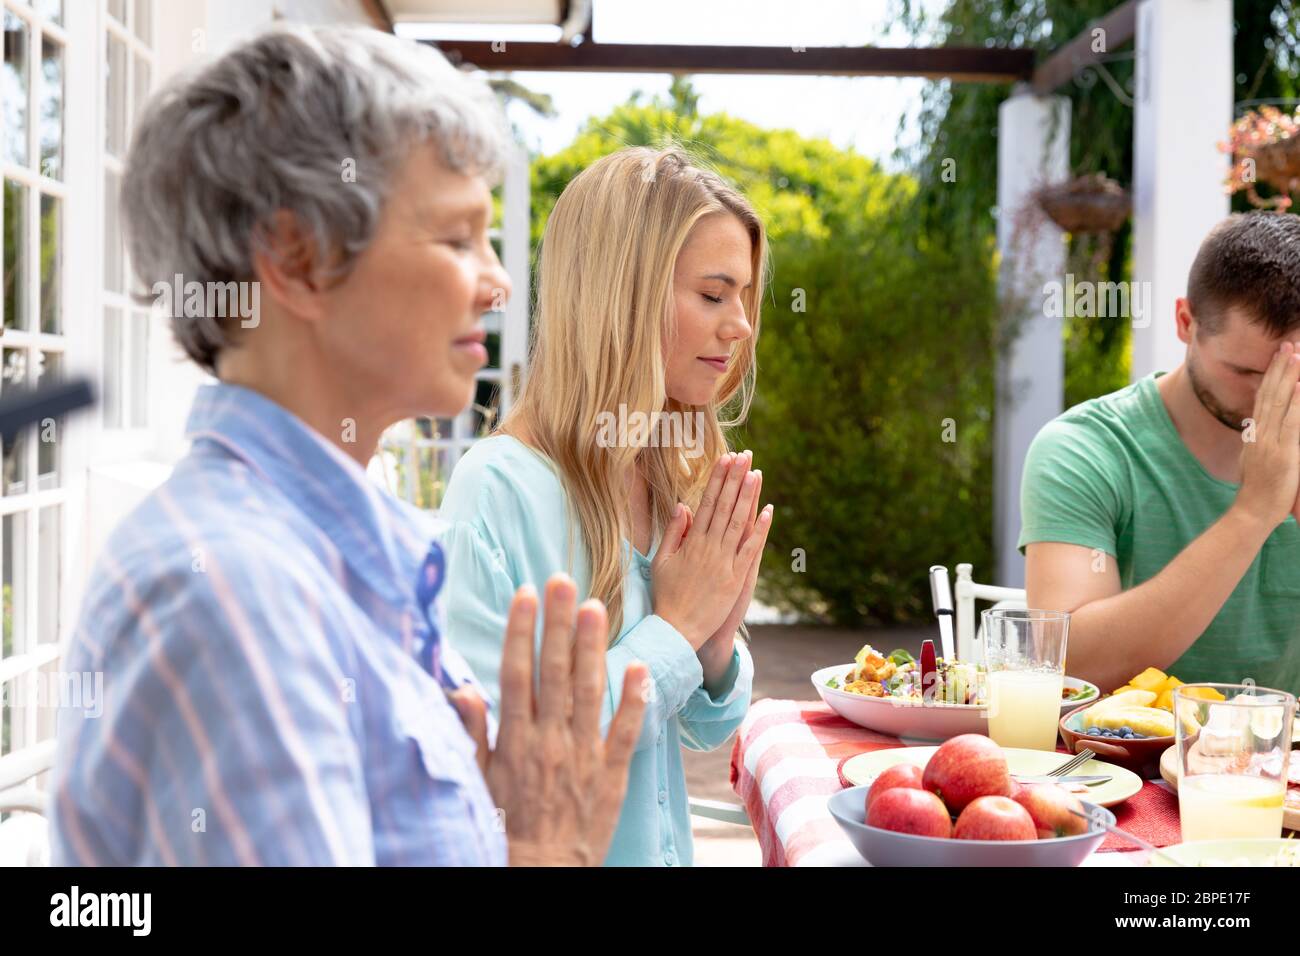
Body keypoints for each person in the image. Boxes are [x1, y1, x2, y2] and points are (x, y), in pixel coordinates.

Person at [50, 23, 645, 866]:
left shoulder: (336, 559)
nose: (499, 280)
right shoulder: (237, 598)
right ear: (297, 259)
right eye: (457, 237)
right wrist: (545, 849)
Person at [439, 146, 772, 867]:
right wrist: (678, 632)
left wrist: (714, 654)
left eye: (744, 297)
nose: (741, 324)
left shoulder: (663, 467)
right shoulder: (497, 492)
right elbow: (496, 767)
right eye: (714, 296)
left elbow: (704, 727)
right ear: (620, 295)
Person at [1021, 211, 1300, 695]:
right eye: (1248, 373)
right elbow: (1070, 665)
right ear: (1185, 323)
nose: (1273, 397)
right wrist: (1254, 512)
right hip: (1122, 764)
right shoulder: (1085, 449)